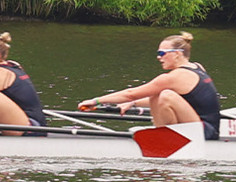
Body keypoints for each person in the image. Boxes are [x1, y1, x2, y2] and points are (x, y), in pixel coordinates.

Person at [79, 32, 223, 138]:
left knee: (165, 94)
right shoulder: (197, 67)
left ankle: (166, 138)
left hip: (203, 132)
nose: (158, 57)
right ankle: (166, 136)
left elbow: (130, 93)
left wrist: (95, 101)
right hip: (207, 127)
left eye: (162, 53)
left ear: (178, 54)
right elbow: (179, 101)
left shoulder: (175, 77)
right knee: (157, 94)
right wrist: (133, 103)